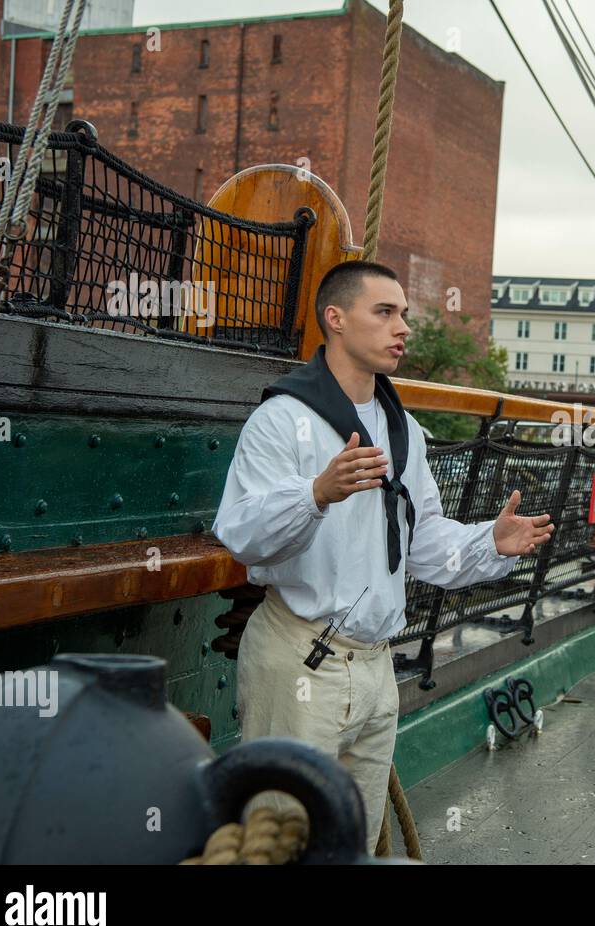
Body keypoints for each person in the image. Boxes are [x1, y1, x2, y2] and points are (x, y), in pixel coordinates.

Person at [213, 260, 554, 854]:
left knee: (353, 844)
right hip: (302, 663)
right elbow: (242, 535)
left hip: (376, 671)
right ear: (336, 320)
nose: (403, 328)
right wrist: (316, 493)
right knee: (284, 844)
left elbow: (420, 546)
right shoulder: (281, 421)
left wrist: (488, 543)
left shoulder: (404, 430)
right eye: (385, 312)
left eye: (404, 315)